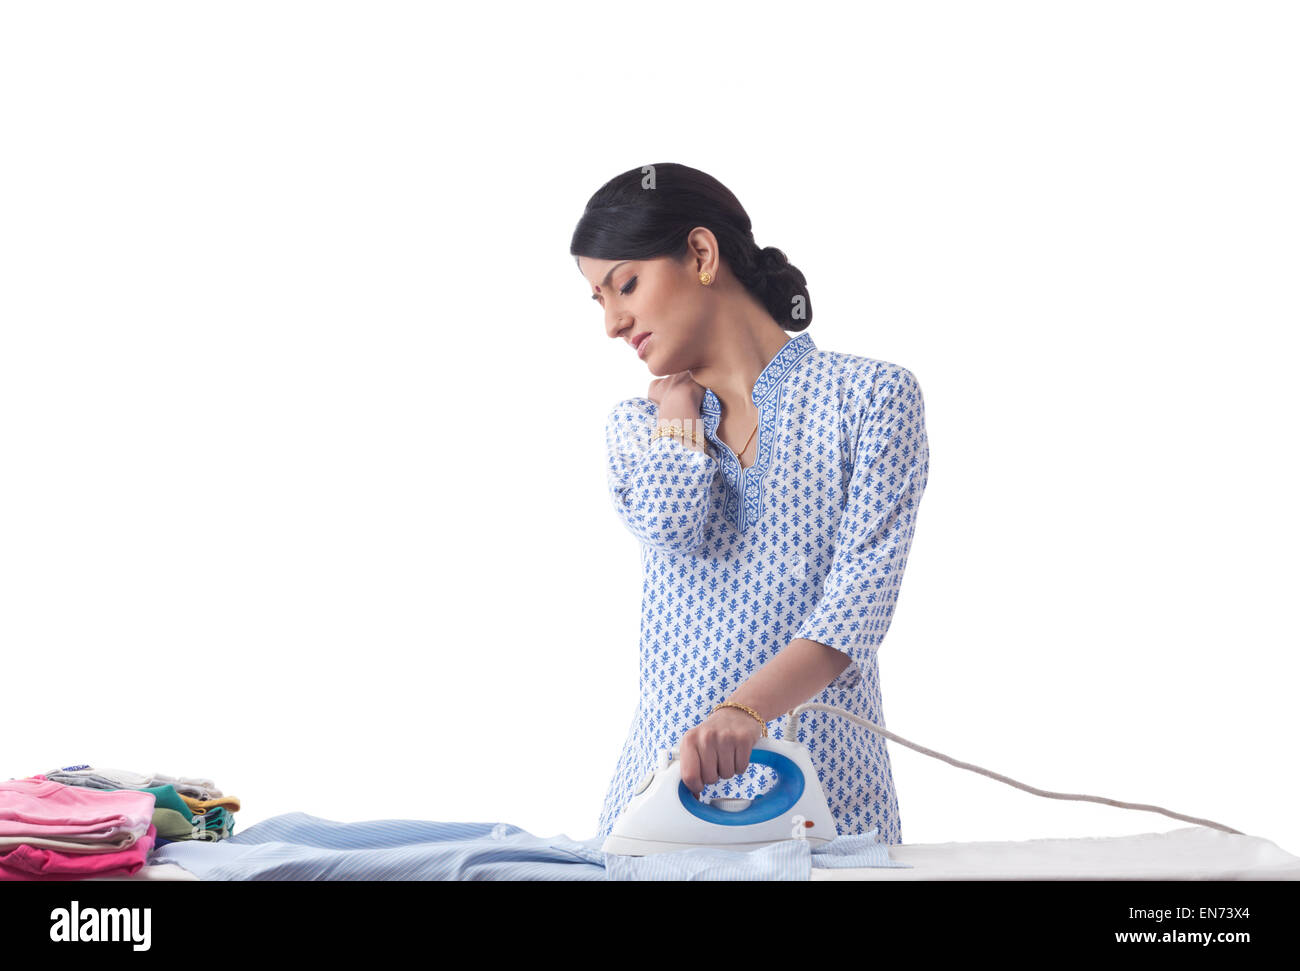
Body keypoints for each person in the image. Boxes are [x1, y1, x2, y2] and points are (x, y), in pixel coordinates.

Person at [571, 163, 930, 845]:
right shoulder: (636, 430)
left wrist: (745, 711)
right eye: (598, 300)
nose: (614, 322)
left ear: (701, 254)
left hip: (826, 813)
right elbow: (674, 525)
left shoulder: (873, 400)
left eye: (625, 283)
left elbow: (856, 608)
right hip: (659, 815)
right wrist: (679, 420)